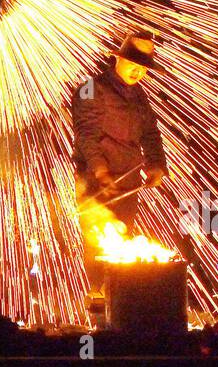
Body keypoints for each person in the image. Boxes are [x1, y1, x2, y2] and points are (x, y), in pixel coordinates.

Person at [71, 30, 168, 294]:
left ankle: (119, 302)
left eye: (143, 68)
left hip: (129, 179)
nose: (138, 72)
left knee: (121, 241)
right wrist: (101, 171)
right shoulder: (92, 87)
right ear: (117, 59)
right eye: (133, 65)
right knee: (97, 242)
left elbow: (150, 132)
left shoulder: (139, 96)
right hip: (96, 181)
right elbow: (86, 133)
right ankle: (98, 302)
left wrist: (157, 163)